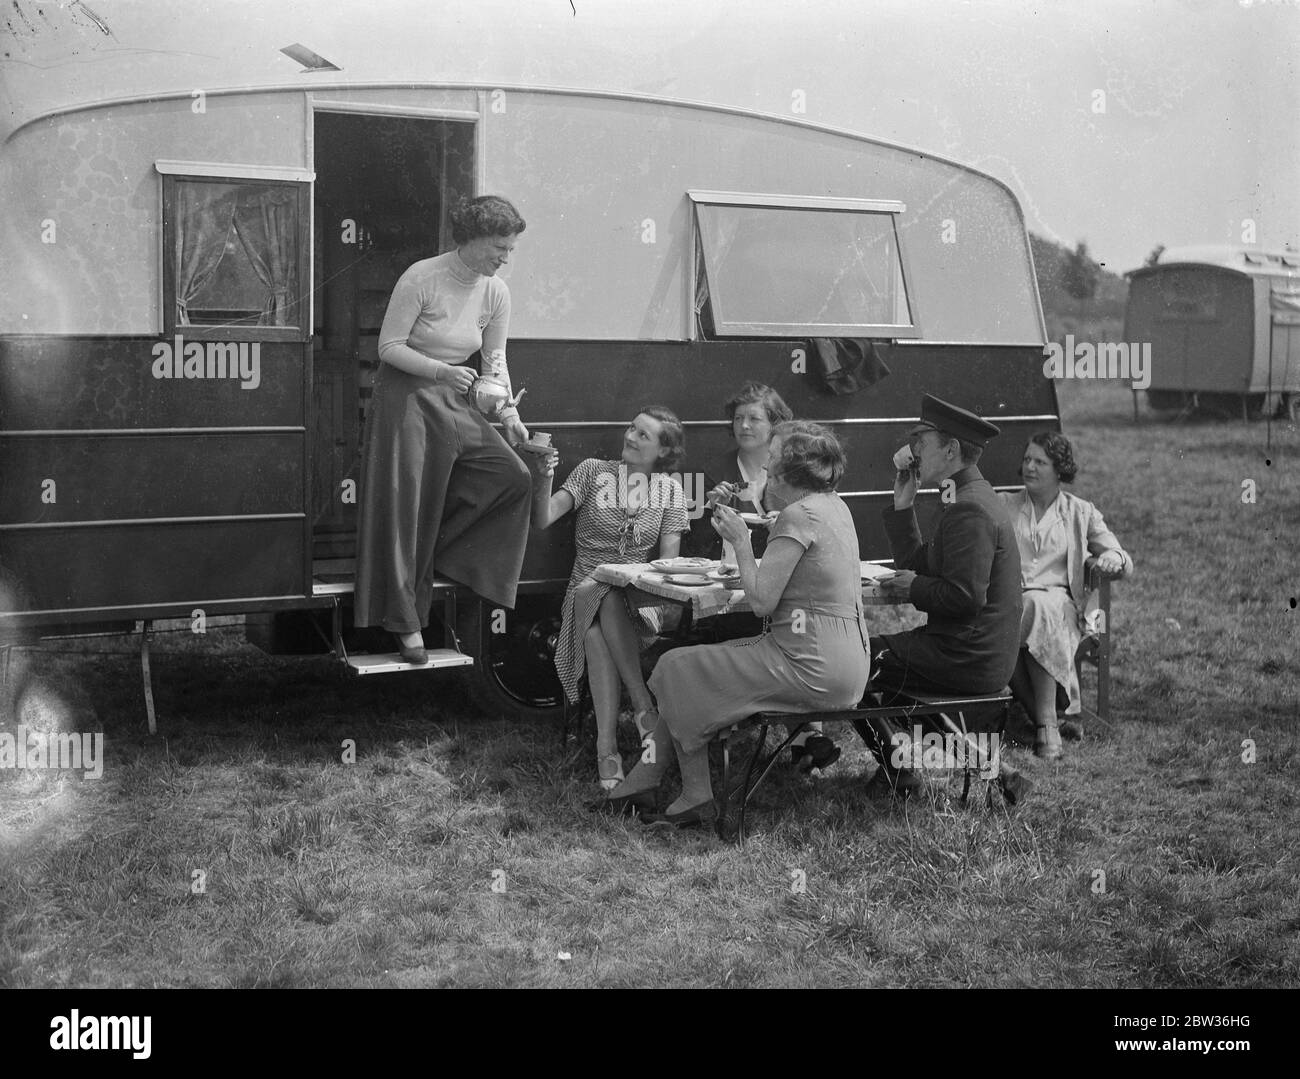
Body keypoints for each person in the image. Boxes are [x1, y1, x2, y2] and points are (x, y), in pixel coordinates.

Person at [600, 422, 871, 827]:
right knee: (686, 670)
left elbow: (761, 602)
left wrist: (742, 542)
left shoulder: (798, 517)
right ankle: (644, 778)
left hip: (809, 666)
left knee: (675, 666)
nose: (766, 460)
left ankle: (694, 794)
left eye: (774, 454)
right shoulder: (833, 506)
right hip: (849, 665)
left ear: (788, 470)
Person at [354, 195, 532, 664]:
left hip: (452, 392)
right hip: (406, 394)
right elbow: (388, 346)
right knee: (405, 506)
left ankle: (441, 560)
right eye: (499, 247)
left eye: (510, 249)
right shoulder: (422, 276)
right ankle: (405, 622)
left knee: (512, 477)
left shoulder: (496, 291)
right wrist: (441, 372)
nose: (505, 258)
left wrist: (510, 417)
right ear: (471, 239)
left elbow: (494, 363)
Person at [855, 394, 1027, 801]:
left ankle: (898, 770)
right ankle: (986, 766)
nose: (914, 452)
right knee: (878, 671)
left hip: (967, 657)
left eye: (923, 443)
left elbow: (964, 597)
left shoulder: (971, 509)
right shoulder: (965, 497)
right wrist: (904, 506)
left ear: (950, 450)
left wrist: (911, 586)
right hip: (969, 651)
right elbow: (926, 565)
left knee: (850, 662)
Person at [528, 408, 691, 788]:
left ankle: (607, 749)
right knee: (595, 590)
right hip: (583, 590)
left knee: (596, 632)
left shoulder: (670, 490)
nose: (630, 436)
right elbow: (543, 518)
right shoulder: (592, 471)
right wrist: (544, 475)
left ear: (663, 452)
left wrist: (625, 578)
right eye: (631, 427)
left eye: (643, 435)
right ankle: (642, 708)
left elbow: (667, 564)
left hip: (637, 601)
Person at [684, 382, 839, 772]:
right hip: (739, 591)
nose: (744, 425)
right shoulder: (717, 471)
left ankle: (807, 735)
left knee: (800, 630)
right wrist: (710, 510)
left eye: (755, 418)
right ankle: (805, 735)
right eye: (738, 418)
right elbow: (699, 550)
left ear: (775, 426)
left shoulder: (794, 478)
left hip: (780, 590)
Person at [1000, 432, 1133, 759]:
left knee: (1041, 607)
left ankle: (1042, 720)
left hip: (1060, 609)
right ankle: (1049, 718)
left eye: (1040, 462)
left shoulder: (1080, 512)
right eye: (1027, 459)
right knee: (1026, 608)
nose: (1029, 467)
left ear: (1060, 470)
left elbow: (1122, 559)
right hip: (1010, 602)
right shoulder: (1004, 504)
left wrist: (1113, 558)